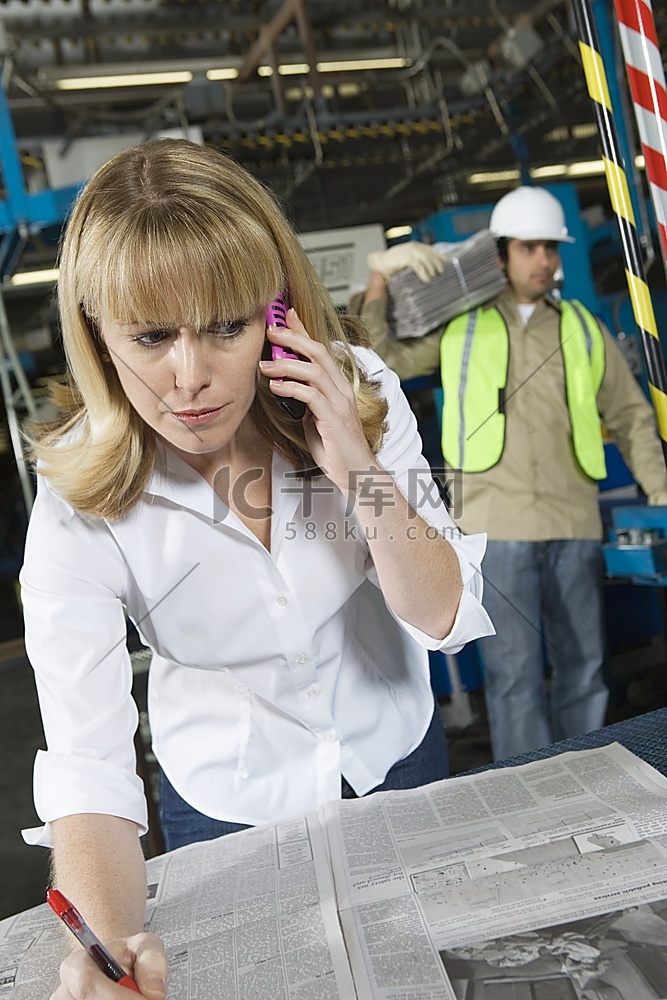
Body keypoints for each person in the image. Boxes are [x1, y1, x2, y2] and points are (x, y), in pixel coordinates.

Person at [19, 138, 494, 999]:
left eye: (226, 327)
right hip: (228, 800)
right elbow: (89, 765)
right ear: (97, 334)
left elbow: (443, 614)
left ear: (276, 316)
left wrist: (356, 466)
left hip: (392, 752)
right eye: (151, 336)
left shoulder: (358, 391)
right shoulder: (73, 502)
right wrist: (108, 950)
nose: (190, 379)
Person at [353, 185, 667, 763]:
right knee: (514, 674)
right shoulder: (462, 326)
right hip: (496, 528)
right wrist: (379, 276)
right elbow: (379, 358)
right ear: (501, 255)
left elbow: (629, 415)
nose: (542, 260)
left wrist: (661, 490)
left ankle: (588, 777)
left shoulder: (582, 328)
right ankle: (528, 786)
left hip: (573, 522)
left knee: (584, 665)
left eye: (550, 248)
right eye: (528, 247)